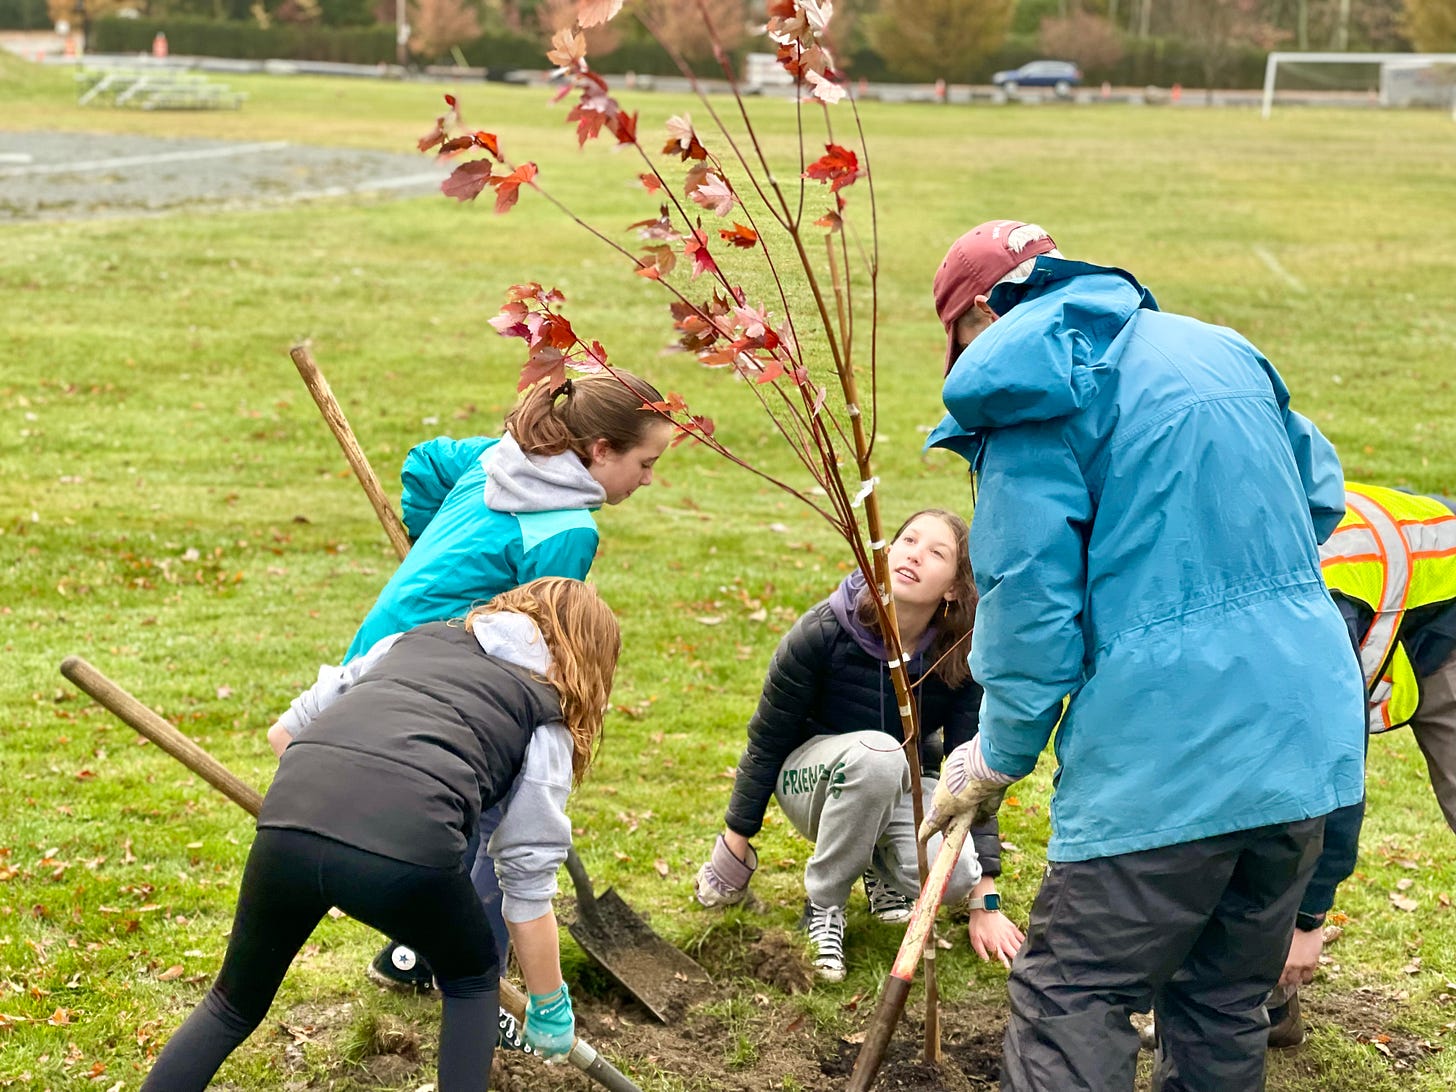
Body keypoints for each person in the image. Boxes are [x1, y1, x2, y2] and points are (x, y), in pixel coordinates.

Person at [918, 219, 1366, 1091]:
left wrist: (993, 757)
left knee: (1075, 994)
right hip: (1304, 734)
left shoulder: (1031, 391)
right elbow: (1319, 495)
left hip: (1172, 753)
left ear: (979, 313)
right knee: (1223, 999)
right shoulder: (1219, 348)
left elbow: (1033, 614)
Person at [267, 369, 671, 1003]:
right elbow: (538, 655)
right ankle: (477, 982)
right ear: (599, 450)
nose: (649, 478)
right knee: (491, 827)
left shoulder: (498, 457)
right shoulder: (568, 532)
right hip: (441, 689)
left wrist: (429, 542)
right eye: (646, 462)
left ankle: (413, 950)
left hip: (379, 662)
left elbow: (426, 462)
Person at [141, 578, 620, 1092]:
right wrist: (548, 1005)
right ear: (585, 661)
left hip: (288, 826)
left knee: (231, 1005)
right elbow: (525, 886)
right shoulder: (545, 717)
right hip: (409, 853)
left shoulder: (410, 642)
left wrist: (337, 837)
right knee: (472, 978)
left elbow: (284, 734)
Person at [694, 510, 1023, 981]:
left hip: (900, 783)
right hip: (812, 782)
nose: (914, 555)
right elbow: (766, 743)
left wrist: (984, 897)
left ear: (953, 587)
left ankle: (882, 873)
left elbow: (974, 771)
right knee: (878, 754)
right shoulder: (823, 632)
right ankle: (824, 906)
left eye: (937, 552)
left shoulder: (958, 654)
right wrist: (733, 849)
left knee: (958, 877)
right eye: (907, 540)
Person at [1266, 481, 1456, 1046]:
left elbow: (1336, 770)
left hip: (1443, 590)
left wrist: (1309, 920)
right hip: (1374, 576)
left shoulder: (1308, 605)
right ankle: (1270, 1007)